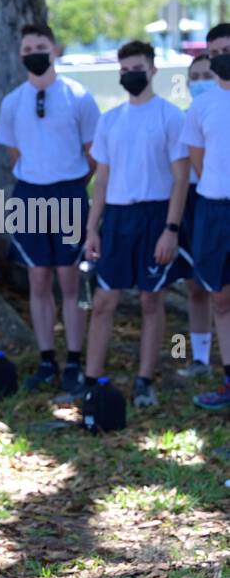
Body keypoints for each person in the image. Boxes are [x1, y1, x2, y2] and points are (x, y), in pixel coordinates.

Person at [82, 40, 189, 409]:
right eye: (124, 69)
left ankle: (145, 381)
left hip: (155, 217)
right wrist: (92, 229)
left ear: (153, 69)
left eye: (137, 68)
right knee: (103, 302)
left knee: (150, 300)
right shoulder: (110, 120)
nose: (130, 75)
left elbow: (180, 179)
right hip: (117, 219)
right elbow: (103, 182)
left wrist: (171, 229)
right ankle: (90, 381)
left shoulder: (170, 116)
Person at [0, 23, 101, 394]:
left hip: (70, 192)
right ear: (21, 53)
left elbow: (94, 154)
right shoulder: (12, 101)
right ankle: (46, 359)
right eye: (27, 47)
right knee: (38, 279)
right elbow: (13, 153)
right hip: (29, 195)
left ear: (54, 49)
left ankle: (74, 359)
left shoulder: (78, 96)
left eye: (41, 45)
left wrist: (69, 182)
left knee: (68, 279)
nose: (34, 52)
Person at [183, 23, 230, 409]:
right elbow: (198, 163)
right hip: (213, 210)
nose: (221, 58)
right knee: (220, 298)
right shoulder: (202, 105)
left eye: (226, 49)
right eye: (215, 53)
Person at [175, 52, 218, 381]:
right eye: (195, 76)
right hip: (190, 204)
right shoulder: (182, 117)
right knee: (195, 286)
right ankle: (199, 358)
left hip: (217, 202)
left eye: (207, 74)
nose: (201, 82)